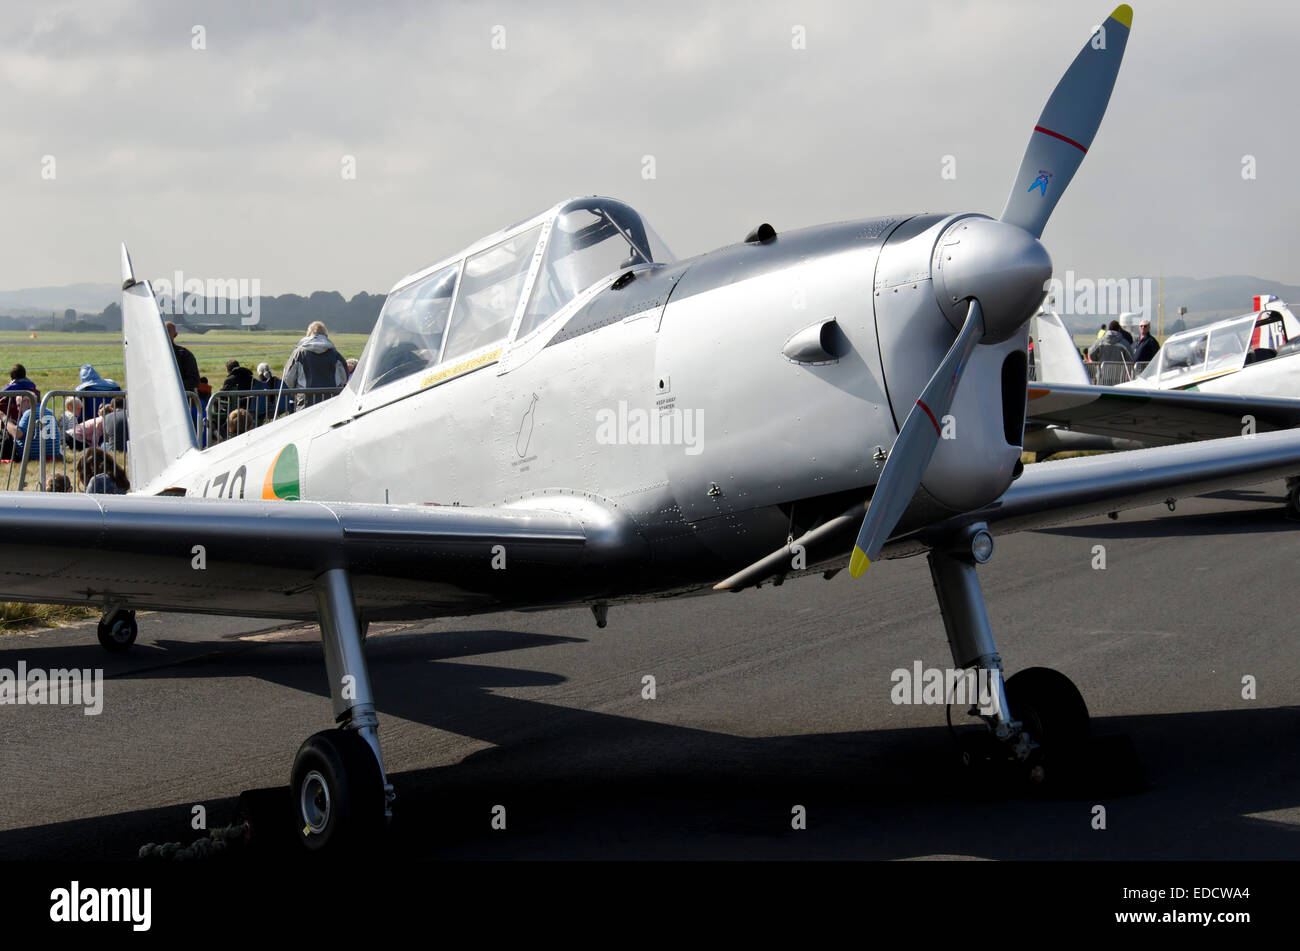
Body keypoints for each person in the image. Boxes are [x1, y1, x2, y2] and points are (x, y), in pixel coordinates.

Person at [281, 321, 348, 409]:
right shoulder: (335, 354)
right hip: (331, 402)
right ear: (325, 335)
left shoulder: (299, 354)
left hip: (305, 403)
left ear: (308, 334)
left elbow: (288, 379)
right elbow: (344, 378)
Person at [165, 321, 201, 393]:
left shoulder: (184, 355)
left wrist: (173, 387)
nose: (166, 334)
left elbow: (194, 380)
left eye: (168, 331)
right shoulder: (151, 355)